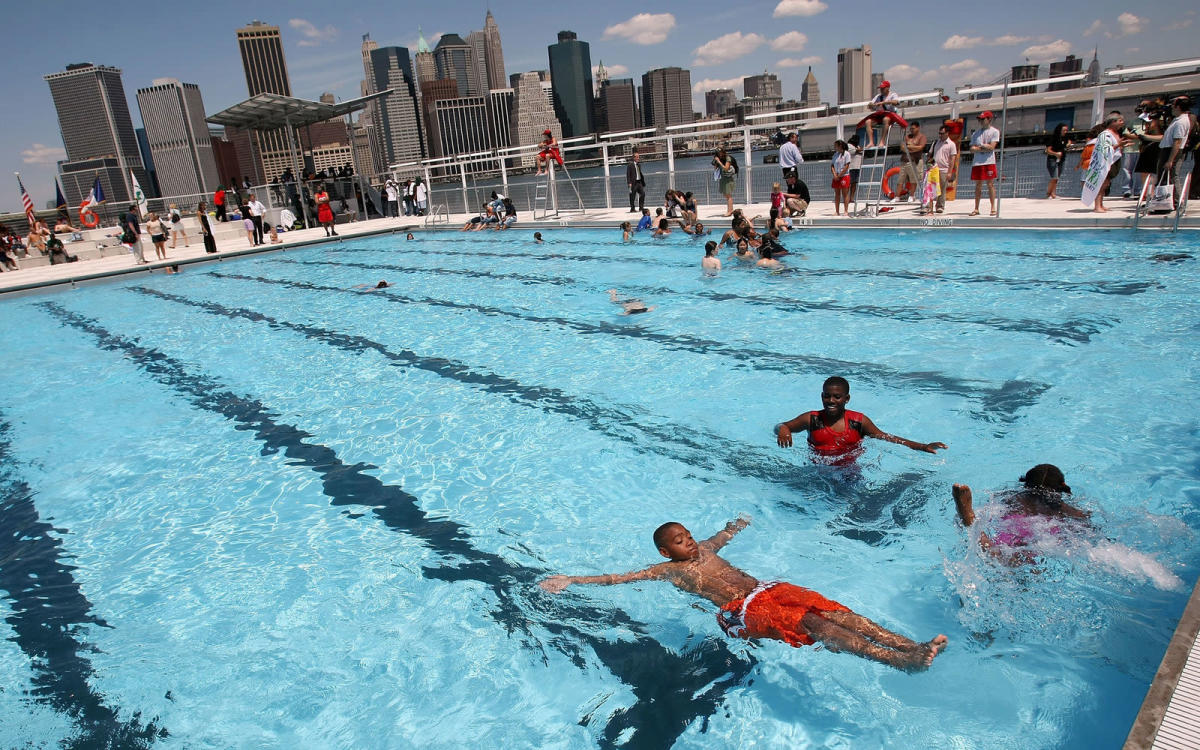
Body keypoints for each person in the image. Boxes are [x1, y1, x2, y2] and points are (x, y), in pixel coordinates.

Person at [540, 517, 947, 672]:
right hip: (746, 610)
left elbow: (718, 537)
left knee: (841, 613)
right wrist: (572, 579)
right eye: (680, 542)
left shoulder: (708, 548)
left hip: (771, 590)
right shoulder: (666, 572)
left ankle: (911, 646)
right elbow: (617, 579)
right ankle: (896, 661)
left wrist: (736, 526)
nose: (690, 543)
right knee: (817, 625)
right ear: (667, 552)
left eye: (688, 536)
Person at [775, 376, 948, 460]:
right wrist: (783, 429)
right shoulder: (812, 419)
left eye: (837, 397)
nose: (831, 401)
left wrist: (923, 446)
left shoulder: (858, 422)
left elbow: (888, 438)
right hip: (817, 471)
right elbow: (781, 426)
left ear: (846, 399)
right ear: (821, 396)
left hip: (849, 474)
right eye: (827, 396)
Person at [1158, 95, 1193, 207]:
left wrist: (1170, 160)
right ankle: (1167, 201)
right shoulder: (1177, 120)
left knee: (1173, 176)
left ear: (1178, 107)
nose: (1171, 107)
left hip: (1171, 151)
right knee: (1167, 176)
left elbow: (1177, 141)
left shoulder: (1181, 122)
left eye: (1173, 105)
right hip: (1168, 149)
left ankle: (1177, 202)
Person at [968, 111, 1000, 216]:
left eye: (983, 119)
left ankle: (993, 207)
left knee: (990, 184)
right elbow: (971, 149)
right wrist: (983, 147)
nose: (980, 121)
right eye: (979, 119)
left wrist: (980, 147)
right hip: (977, 162)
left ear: (989, 119)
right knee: (978, 185)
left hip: (989, 162)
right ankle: (976, 208)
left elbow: (992, 147)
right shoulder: (975, 134)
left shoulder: (994, 131)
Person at [927, 124, 957, 214]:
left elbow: (952, 159)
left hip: (944, 169)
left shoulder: (951, 144)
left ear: (947, 133)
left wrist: (949, 172)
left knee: (942, 188)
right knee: (931, 188)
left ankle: (940, 206)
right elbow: (930, 154)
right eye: (939, 133)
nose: (940, 135)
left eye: (942, 133)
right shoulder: (936, 143)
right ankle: (929, 206)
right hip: (934, 168)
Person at [899, 122, 927, 200]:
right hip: (906, 160)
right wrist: (912, 148)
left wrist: (909, 147)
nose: (911, 130)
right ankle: (901, 195)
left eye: (913, 128)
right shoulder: (907, 137)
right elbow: (902, 147)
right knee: (903, 179)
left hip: (916, 161)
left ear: (918, 128)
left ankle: (912, 195)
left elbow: (920, 147)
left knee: (915, 178)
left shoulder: (922, 137)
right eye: (910, 129)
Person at [1044, 123, 1072, 199]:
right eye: (1064, 130)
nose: (1065, 132)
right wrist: (1055, 154)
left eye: (1066, 130)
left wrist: (1069, 143)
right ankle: (1048, 193)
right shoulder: (1053, 138)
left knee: (1057, 177)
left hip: (1062, 159)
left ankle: (1053, 194)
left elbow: (1069, 140)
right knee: (1054, 177)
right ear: (1059, 130)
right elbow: (1048, 150)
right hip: (1052, 159)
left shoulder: (1065, 137)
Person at [713, 147, 738, 216]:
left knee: (728, 195)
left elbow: (726, 168)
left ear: (723, 152)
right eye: (718, 153)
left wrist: (719, 162)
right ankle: (730, 210)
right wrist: (716, 162)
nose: (719, 154)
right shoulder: (720, 158)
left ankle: (729, 211)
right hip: (723, 178)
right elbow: (715, 168)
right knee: (726, 195)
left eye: (720, 153)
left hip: (728, 179)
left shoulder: (728, 158)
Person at [831, 140, 852, 216]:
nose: (835, 147)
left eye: (836, 146)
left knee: (845, 194)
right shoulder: (835, 155)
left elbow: (847, 166)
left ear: (840, 146)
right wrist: (835, 175)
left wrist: (839, 175)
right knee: (837, 194)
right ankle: (837, 211)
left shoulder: (846, 154)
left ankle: (846, 210)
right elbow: (832, 165)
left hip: (844, 175)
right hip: (836, 176)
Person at [627, 148, 646, 212]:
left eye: (638, 157)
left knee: (642, 193)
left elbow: (639, 173)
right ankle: (632, 208)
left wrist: (642, 181)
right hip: (633, 183)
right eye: (637, 157)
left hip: (639, 182)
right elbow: (628, 174)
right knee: (632, 196)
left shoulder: (639, 165)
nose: (638, 158)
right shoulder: (630, 165)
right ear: (634, 158)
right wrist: (629, 183)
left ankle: (641, 207)